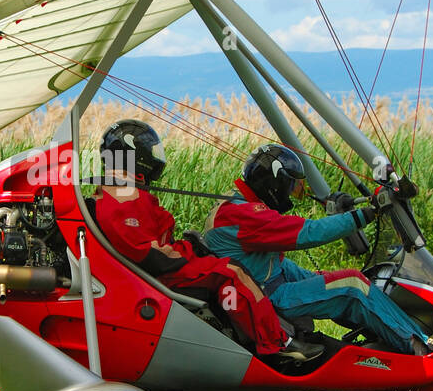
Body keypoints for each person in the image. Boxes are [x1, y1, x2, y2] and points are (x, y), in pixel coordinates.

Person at [91, 121, 322, 365]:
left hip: (155, 269)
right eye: (153, 152)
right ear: (138, 156)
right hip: (159, 274)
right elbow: (148, 253)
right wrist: (188, 250)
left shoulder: (120, 190)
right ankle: (277, 344)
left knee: (225, 269)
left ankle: (254, 338)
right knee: (231, 272)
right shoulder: (122, 196)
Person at [203, 144, 433, 356]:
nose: (291, 195)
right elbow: (309, 232)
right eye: (291, 187)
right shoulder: (242, 215)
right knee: (352, 285)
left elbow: (268, 263)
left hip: (259, 283)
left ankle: (391, 337)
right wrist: (366, 213)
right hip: (263, 299)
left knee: (336, 281)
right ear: (274, 183)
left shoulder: (235, 205)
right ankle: (422, 348)